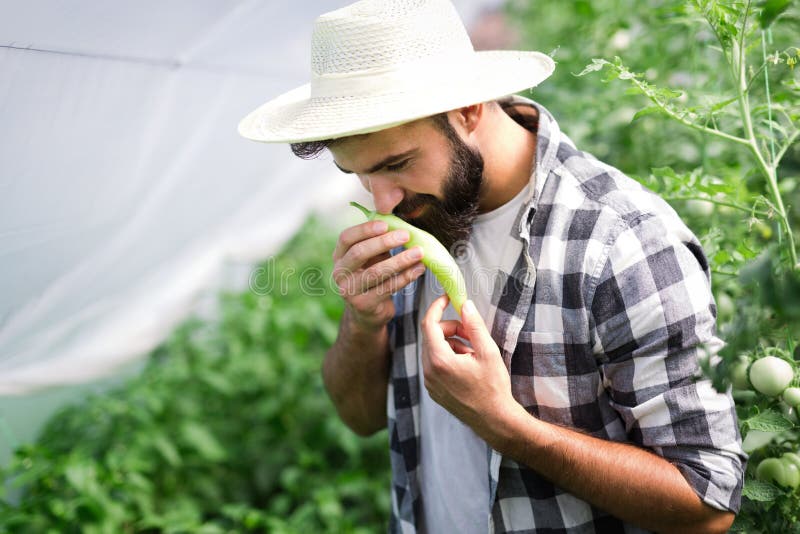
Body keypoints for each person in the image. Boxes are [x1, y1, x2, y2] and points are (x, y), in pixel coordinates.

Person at [238, 1, 746, 532]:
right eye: (359, 174)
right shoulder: (417, 212)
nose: (382, 202)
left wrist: (507, 426)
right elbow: (360, 417)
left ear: (468, 109)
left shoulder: (619, 241)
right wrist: (363, 324)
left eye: (397, 164)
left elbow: (706, 503)